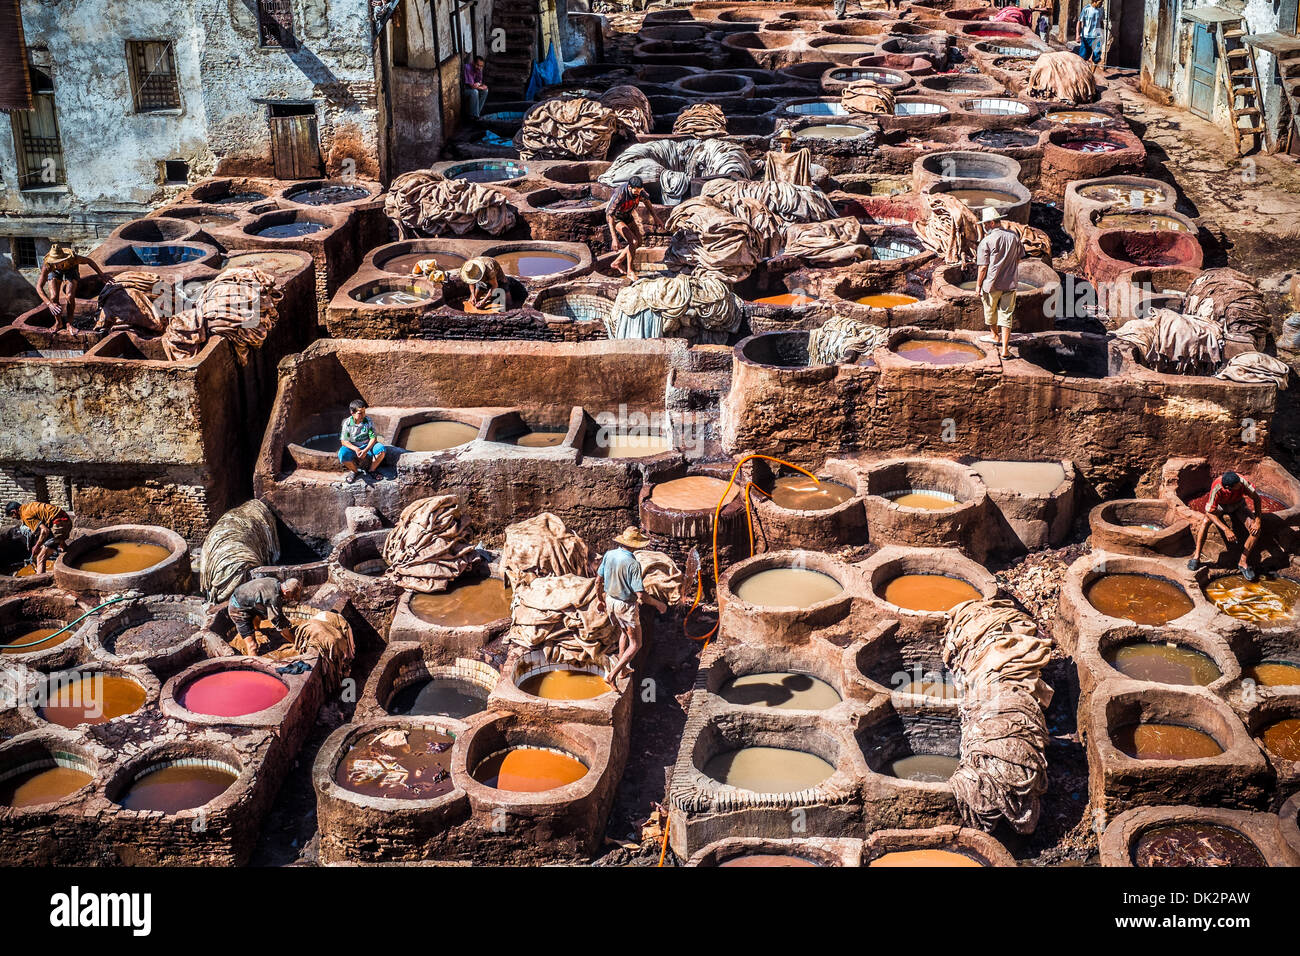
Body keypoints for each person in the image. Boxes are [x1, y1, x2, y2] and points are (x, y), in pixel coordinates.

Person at [597, 527, 665, 684]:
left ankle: (623, 671)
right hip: (625, 606)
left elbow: (598, 580)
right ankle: (612, 675)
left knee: (624, 633)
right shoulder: (633, 563)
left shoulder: (609, 554)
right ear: (635, 545)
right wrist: (658, 604)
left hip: (610, 601)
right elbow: (640, 594)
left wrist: (600, 599)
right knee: (636, 644)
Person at [1188, 471, 1266, 580]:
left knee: (1256, 531)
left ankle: (1242, 562)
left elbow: (1257, 499)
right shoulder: (1217, 488)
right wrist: (1226, 529)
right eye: (1237, 486)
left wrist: (1258, 521)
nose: (1240, 486)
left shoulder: (1242, 481)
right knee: (1205, 522)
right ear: (1228, 488)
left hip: (1239, 504)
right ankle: (1196, 557)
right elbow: (1210, 512)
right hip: (1221, 506)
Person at [975, 205, 1024, 359]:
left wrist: (978, 286)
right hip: (1010, 283)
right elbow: (1018, 258)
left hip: (992, 284)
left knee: (990, 312)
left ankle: (994, 335)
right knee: (1006, 315)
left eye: (984, 224)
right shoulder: (1014, 236)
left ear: (990, 223)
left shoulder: (986, 241)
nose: (984, 227)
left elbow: (983, 268)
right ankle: (1004, 350)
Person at [36, 241, 106, 333]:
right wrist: (49, 304)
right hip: (54, 273)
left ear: (64, 259)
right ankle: (58, 322)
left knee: (69, 296)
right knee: (53, 297)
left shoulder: (73, 259)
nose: (56, 265)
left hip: (71, 269)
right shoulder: (48, 266)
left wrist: (101, 275)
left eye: (58, 262)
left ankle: (69, 324)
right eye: (54, 263)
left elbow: (90, 261)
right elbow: (39, 287)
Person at [228, 576, 304, 654]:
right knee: (253, 646)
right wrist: (296, 642)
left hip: (246, 600)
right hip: (237, 609)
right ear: (286, 591)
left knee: (261, 612)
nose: (291, 599)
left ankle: (256, 630)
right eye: (292, 596)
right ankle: (252, 664)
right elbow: (282, 628)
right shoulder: (273, 598)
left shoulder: (275, 581)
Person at [606, 176, 661, 282]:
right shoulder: (621, 195)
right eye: (635, 190)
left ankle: (617, 262)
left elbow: (647, 203)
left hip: (627, 216)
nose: (637, 193)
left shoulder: (640, 192)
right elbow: (610, 216)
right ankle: (630, 272)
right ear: (630, 187)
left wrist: (656, 217)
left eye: (639, 190)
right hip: (616, 218)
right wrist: (614, 238)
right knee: (633, 241)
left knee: (639, 242)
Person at [4, 500, 72, 574]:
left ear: (14, 511)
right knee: (55, 541)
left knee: (40, 558)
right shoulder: (29, 506)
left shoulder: (26, 515)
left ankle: (40, 581)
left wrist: (37, 546)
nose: (14, 518)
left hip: (60, 525)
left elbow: (45, 531)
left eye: (12, 516)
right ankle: (68, 553)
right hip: (65, 520)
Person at [339, 399, 387, 483]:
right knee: (342, 454)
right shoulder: (347, 424)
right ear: (352, 412)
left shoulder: (368, 421)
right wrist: (356, 449)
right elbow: (344, 441)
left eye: (364, 412)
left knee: (381, 449)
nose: (363, 415)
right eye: (360, 413)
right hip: (354, 448)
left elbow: (373, 438)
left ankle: (372, 470)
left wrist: (365, 450)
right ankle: (355, 471)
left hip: (367, 446)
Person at [1077, 0, 1106, 72]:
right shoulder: (1086, 9)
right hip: (1086, 36)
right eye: (1100, 2)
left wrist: (1102, 33)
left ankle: (1091, 74)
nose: (1101, 4)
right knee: (1083, 57)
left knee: (1096, 57)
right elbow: (1079, 22)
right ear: (1095, 1)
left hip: (1097, 36)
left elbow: (1101, 22)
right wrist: (1078, 34)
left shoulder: (1101, 9)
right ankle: (1083, 73)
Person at [463, 55, 488, 120]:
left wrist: (482, 85)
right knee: (475, 92)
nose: (479, 67)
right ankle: (475, 116)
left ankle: (476, 114)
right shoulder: (468, 68)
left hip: (472, 88)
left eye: (481, 66)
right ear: (473, 63)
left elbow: (479, 82)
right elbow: (472, 86)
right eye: (477, 65)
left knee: (485, 91)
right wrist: (481, 87)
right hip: (464, 90)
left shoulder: (479, 69)